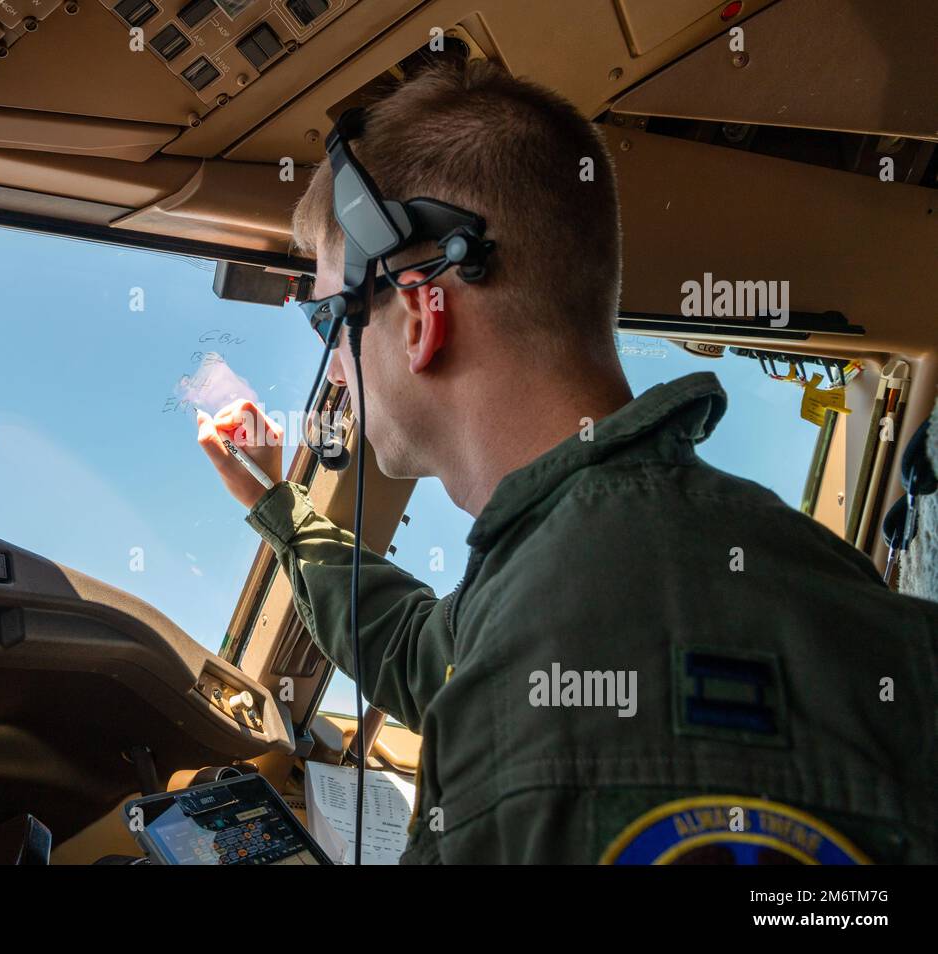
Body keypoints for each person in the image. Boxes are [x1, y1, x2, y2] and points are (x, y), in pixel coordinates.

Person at [196, 60, 938, 864]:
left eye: (328, 323)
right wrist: (275, 500)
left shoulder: (537, 688)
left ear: (419, 314)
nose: (336, 369)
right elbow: (419, 649)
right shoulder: (762, 566)